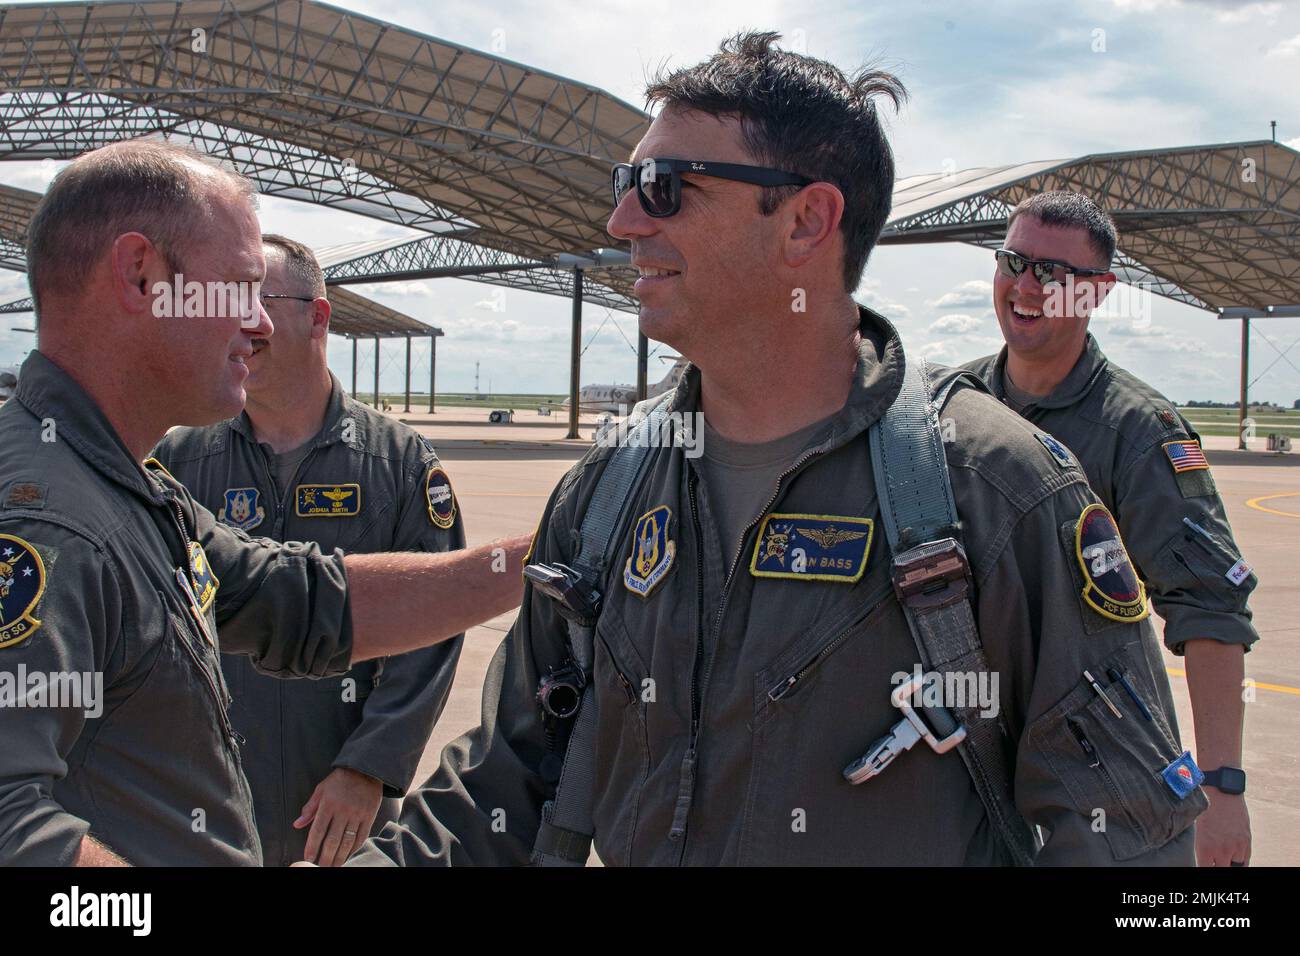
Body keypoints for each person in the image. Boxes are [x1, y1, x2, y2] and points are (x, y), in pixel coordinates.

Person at [347, 33, 1202, 867]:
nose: (622, 219)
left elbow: (1121, 834)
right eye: (626, 184)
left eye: (665, 187)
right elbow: (510, 780)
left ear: (806, 222)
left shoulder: (995, 493)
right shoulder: (609, 491)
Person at [0, 139, 529, 866]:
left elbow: (300, 602)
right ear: (141, 274)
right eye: (241, 288)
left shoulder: (128, 487)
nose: (256, 325)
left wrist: (548, 554)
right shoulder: (45, 521)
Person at [961, 190, 1257, 866]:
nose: (1026, 285)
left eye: (1053, 274)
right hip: (963, 743)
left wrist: (1223, 787)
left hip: (1085, 758)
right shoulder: (953, 404)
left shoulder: (1137, 431)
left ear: (1096, 294)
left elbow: (1210, 605)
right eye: (1013, 261)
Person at [152, 235, 464, 866]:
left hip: (339, 810)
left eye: (258, 298)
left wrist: (370, 768)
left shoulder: (398, 466)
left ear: (318, 316)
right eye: (229, 299)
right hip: (202, 800)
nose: (243, 320)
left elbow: (431, 629)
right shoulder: (179, 461)